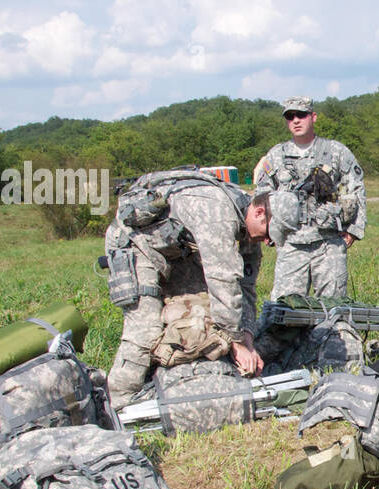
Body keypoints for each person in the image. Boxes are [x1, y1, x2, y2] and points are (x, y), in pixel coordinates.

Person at [104, 175, 270, 408]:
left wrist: (248, 339)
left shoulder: (250, 224)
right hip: (136, 245)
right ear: (259, 212)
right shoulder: (218, 215)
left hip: (176, 250)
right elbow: (222, 281)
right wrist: (237, 343)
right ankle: (116, 403)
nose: (266, 241)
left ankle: (169, 380)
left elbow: (245, 291)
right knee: (146, 329)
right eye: (268, 233)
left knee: (197, 311)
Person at [255, 97, 366, 299]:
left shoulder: (336, 152)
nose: (296, 120)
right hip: (291, 243)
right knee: (285, 309)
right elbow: (262, 197)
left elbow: (356, 187)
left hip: (329, 243)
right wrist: (266, 231)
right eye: (290, 117)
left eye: (301, 115)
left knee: (333, 307)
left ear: (313, 117)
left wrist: (354, 231)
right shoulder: (276, 156)